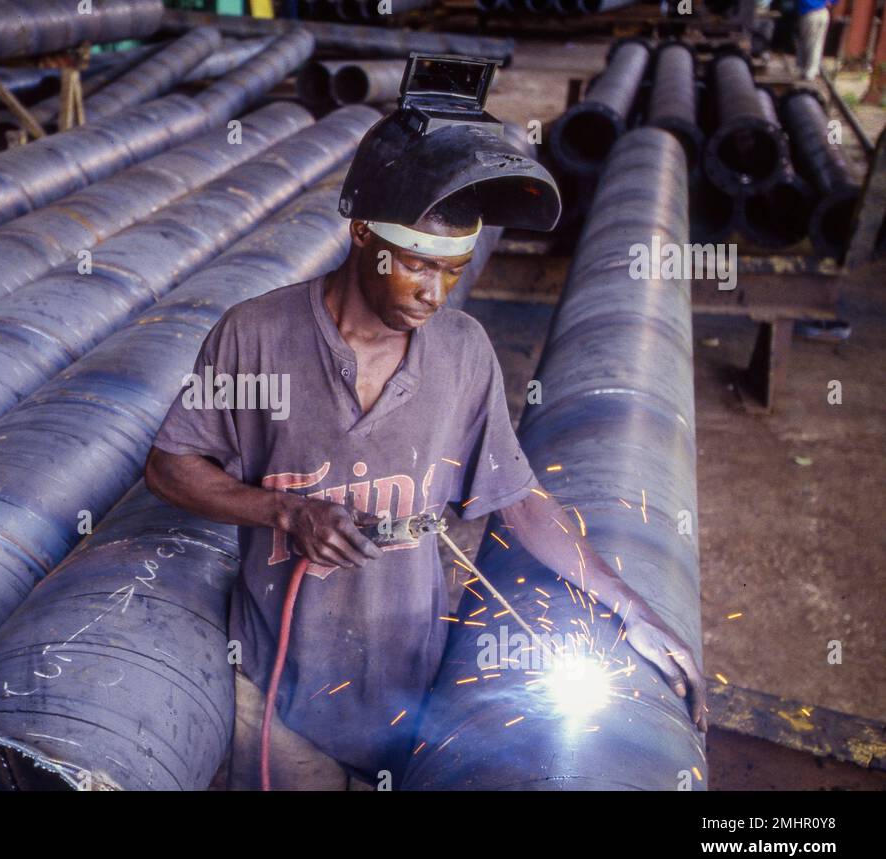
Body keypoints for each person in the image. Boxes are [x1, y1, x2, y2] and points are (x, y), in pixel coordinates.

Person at [144, 56, 709, 790]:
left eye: (452, 270)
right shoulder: (256, 336)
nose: (434, 292)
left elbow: (522, 499)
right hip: (281, 692)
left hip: (408, 685)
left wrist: (627, 603)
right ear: (361, 237)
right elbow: (169, 467)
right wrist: (283, 509)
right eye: (415, 265)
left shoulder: (464, 353)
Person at [796, 0, 834, 81]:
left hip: (809, 13)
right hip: (823, 12)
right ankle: (813, 69)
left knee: (809, 42)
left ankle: (810, 71)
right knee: (817, 43)